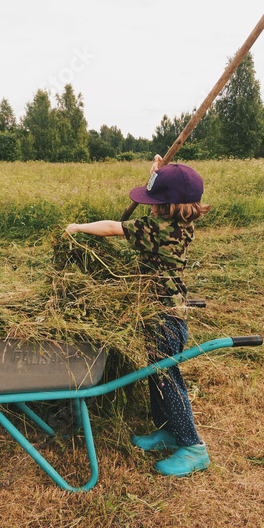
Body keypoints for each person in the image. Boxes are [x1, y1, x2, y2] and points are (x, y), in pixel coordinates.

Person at [65, 155, 211, 477]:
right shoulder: (182, 223)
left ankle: (192, 446)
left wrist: (77, 228)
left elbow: (112, 228)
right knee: (157, 375)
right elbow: (167, 195)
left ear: (163, 208)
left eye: (154, 202)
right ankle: (168, 430)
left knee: (168, 380)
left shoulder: (153, 228)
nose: (150, 206)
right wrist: (157, 173)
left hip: (164, 317)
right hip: (163, 312)